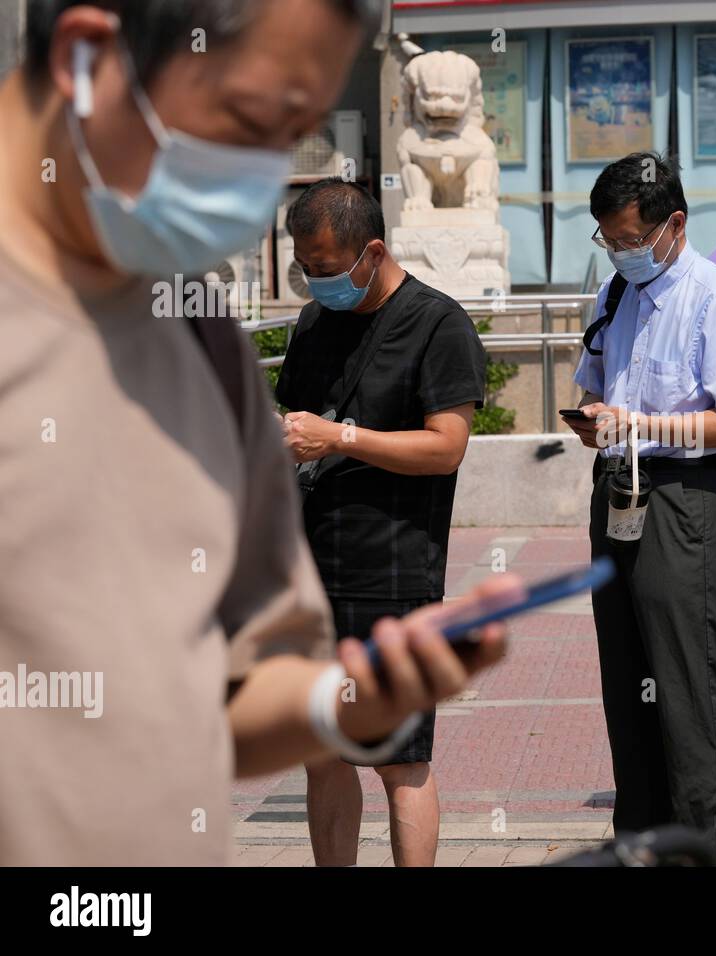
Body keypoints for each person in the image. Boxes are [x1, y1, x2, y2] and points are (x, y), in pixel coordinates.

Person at [0, 0, 521, 866]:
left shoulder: (195, 326)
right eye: (248, 119)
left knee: (391, 764)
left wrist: (339, 704)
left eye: (294, 132)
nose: (254, 173)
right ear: (88, 59)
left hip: (385, 568)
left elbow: (210, 704)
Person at [276, 179, 487, 866]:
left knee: (399, 760)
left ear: (372, 251)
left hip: (394, 571)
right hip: (312, 569)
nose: (317, 282)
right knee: (324, 755)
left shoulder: (438, 324)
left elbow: (446, 446)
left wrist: (341, 438)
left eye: (328, 269)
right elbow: (295, 429)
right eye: (305, 269)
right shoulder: (315, 322)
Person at [562, 152, 716, 863]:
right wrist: (592, 418)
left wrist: (644, 426)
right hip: (617, 491)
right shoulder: (613, 294)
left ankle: (704, 851)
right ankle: (640, 847)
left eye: (628, 238)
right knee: (628, 684)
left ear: (673, 224)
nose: (619, 251)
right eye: (608, 240)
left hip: (685, 500)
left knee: (686, 690)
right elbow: (593, 390)